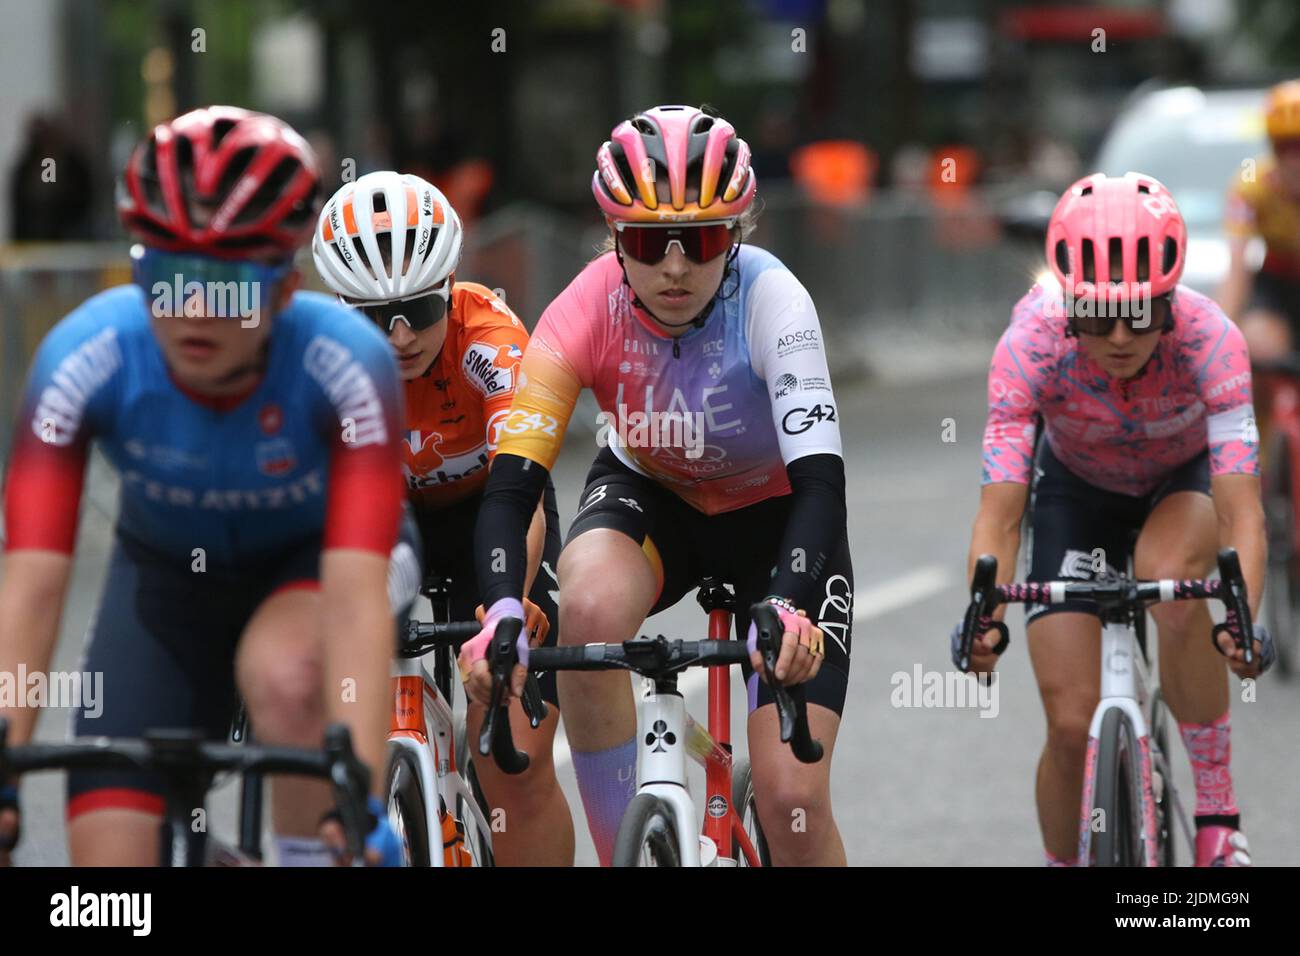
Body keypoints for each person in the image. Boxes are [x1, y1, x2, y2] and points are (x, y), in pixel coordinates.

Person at [0, 106, 409, 867]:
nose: (194, 308)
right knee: (107, 879)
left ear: (286, 289)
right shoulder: (83, 357)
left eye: (227, 284)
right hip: (162, 582)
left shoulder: (348, 364)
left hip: (316, 569)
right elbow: (30, 586)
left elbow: (354, 598)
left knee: (287, 673)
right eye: (168, 276)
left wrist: (361, 790)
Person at [466, 104, 853, 866]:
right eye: (647, 243)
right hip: (654, 497)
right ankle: (625, 849)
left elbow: (821, 487)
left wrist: (786, 603)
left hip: (776, 520)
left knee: (791, 800)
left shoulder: (776, 302)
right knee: (584, 606)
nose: (674, 267)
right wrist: (504, 607)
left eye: (702, 240)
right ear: (615, 238)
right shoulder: (584, 308)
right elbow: (511, 489)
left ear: (735, 235)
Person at [962, 171, 1272, 867]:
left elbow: (1241, 510)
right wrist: (982, 617)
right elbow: (1001, 515)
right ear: (1068, 304)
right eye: (1097, 317)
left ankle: (1218, 813)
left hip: (1182, 481)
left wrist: (1241, 620)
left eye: (1142, 313)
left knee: (1172, 580)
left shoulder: (1212, 340)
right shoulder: (1028, 346)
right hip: (1077, 491)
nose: (1122, 336)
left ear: (1170, 300)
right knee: (1071, 725)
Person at [311, 170, 574, 865]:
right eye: (373, 317)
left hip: (495, 516)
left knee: (512, 761)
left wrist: (503, 609)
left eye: (421, 311)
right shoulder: (317, 357)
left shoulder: (489, 340)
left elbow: (518, 491)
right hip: (385, 525)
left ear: (450, 288)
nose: (399, 337)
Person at [1219, 80, 1300, 358]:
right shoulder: (1250, 188)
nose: (1296, 161)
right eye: (1287, 148)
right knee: (1259, 341)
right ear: (1274, 149)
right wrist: (1217, 337)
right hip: (1277, 282)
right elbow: (1237, 268)